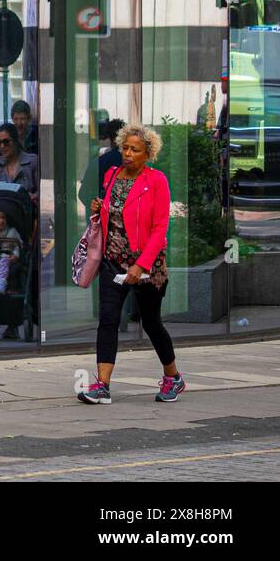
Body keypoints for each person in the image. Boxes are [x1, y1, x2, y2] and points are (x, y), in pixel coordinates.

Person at [78, 124, 185, 405]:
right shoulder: (112, 175)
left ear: (148, 153)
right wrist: (97, 208)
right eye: (125, 147)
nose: (127, 153)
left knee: (151, 322)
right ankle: (102, 385)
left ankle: (173, 376)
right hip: (113, 261)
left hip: (146, 265)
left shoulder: (157, 181)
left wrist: (141, 265)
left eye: (134, 150)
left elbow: (160, 226)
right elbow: (114, 212)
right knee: (108, 320)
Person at [0, 122, 40, 204]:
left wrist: (33, 196)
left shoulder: (32, 161)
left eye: (6, 142)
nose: (2, 146)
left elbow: (43, 192)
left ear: (16, 141)